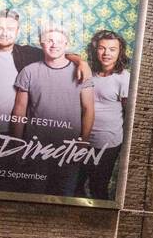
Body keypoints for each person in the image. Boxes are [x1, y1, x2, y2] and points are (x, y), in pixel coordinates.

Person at [10, 26, 95, 197]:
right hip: (36, 147)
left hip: (69, 149)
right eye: (49, 40)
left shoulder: (80, 72)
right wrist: (17, 143)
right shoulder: (29, 71)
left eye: (58, 41)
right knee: (34, 194)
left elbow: (88, 109)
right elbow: (19, 110)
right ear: (41, 44)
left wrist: (83, 142)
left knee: (64, 195)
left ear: (66, 43)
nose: (54, 45)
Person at [0, 9, 90, 136]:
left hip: (17, 128)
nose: (5, 33)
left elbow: (56, 52)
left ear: (17, 32)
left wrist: (81, 62)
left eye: (10, 29)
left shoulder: (27, 54)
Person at [74, 30, 131, 200]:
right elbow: (68, 55)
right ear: (95, 50)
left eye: (112, 49)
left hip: (107, 144)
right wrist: (80, 61)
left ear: (120, 51)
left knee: (97, 187)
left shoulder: (124, 78)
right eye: (102, 48)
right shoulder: (88, 72)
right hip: (81, 140)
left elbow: (129, 115)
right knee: (74, 185)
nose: (106, 53)